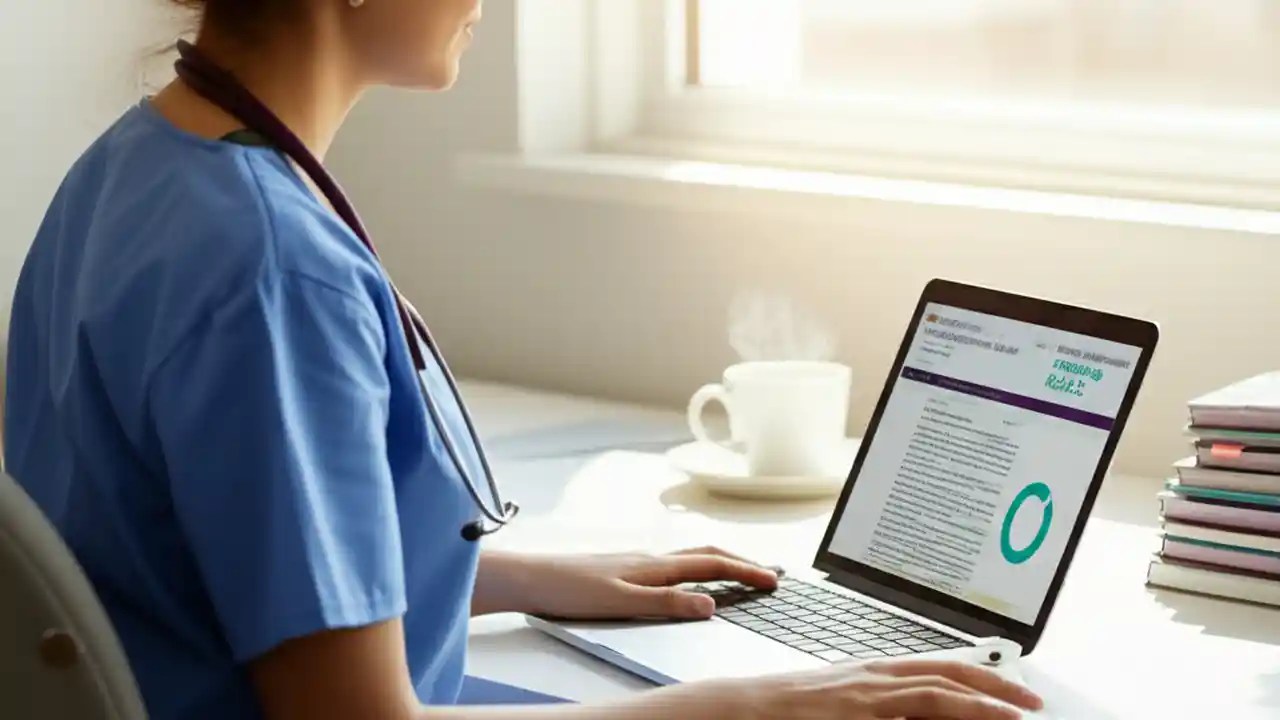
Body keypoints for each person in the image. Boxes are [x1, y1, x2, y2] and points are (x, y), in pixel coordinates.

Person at [3, 1, 1045, 718]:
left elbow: (190, 553)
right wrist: (749, 703)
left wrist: (529, 576)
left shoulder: (134, 169)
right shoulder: (273, 268)